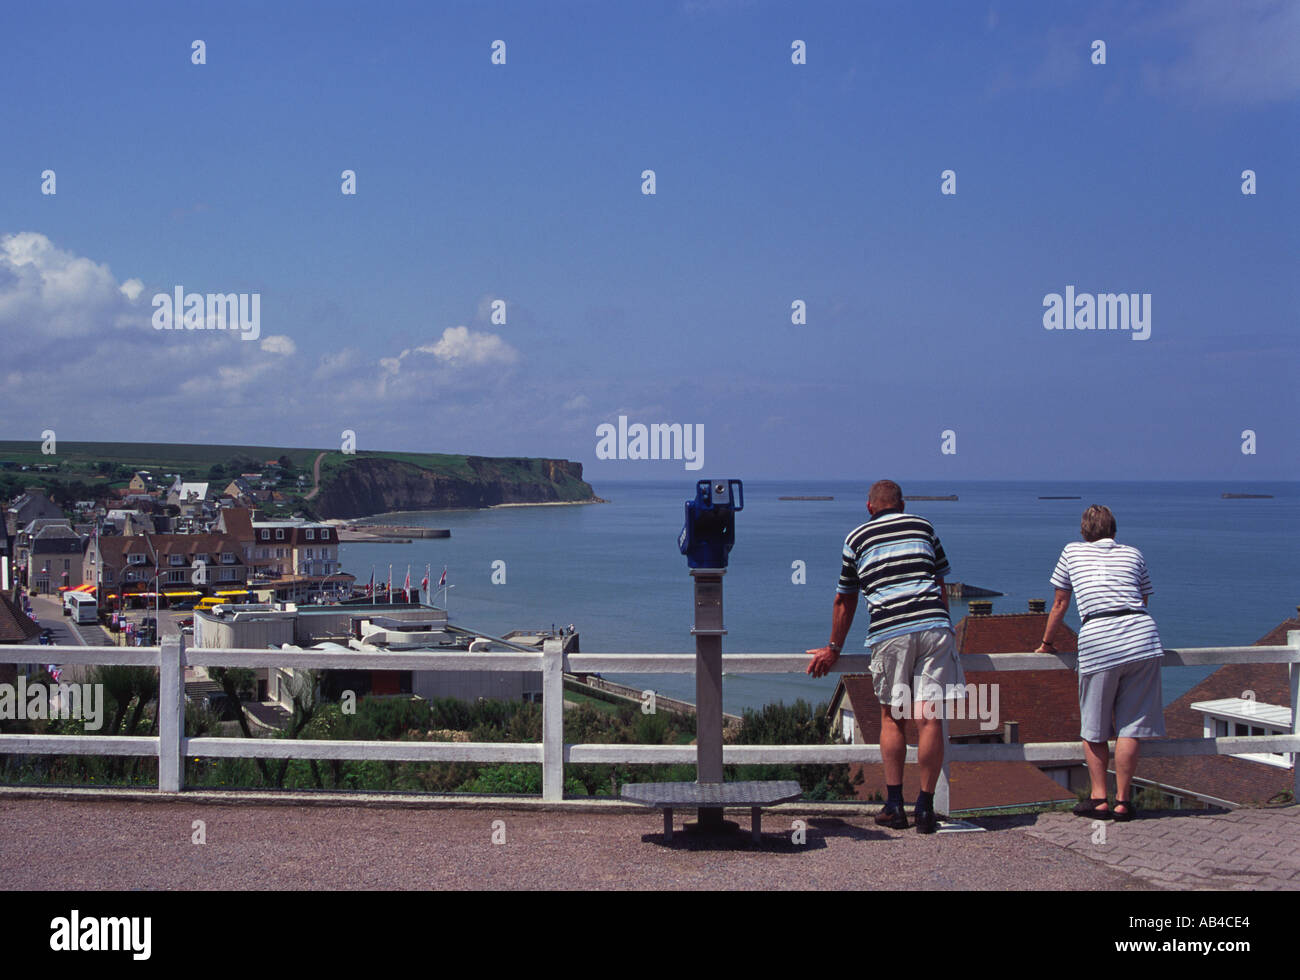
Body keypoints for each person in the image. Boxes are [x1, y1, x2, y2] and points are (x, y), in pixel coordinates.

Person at [807, 479, 963, 834]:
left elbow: (844, 600)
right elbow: (940, 584)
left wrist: (833, 648)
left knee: (893, 717)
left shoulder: (856, 539)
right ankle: (925, 808)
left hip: (891, 631)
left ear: (869, 507)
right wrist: (942, 625)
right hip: (935, 627)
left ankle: (895, 805)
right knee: (930, 718)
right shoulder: (924, 526)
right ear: (902, 504)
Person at [1036, 505, 1165, 822]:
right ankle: (1123, 801)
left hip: (1099, 639)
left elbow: (1060, 603)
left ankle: (1099, 799)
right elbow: (1143, 598)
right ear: (1114, 530)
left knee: (1094, 727)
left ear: (1083, 531)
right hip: (1142, 637)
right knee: (1131, 726)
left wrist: (1047, 643)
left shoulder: (1071, 552)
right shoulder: (1133, 554)